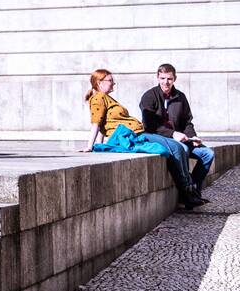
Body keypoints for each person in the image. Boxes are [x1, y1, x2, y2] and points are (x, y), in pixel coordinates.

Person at [81, 68, 202, 209]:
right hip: (132, 136)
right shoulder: (98, 98)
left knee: (179, 148)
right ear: (99, 82)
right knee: (175, 148)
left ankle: (190, 191)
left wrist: (99, 144)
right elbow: (97, 122)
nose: (114, 84)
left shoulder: (107, 97)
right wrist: (91, 146)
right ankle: (186, 192)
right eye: (110, 81)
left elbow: (103, 124)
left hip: (136, 133)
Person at [140, 63, 214, 203]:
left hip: (181, 137)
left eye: (169, 79)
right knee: (183, 149)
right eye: (162, 78)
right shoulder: (149, 96)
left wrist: (192, 137)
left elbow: (187, 122)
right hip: (161, 138)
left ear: (175, 79)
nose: (165, 82)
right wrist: (173, 134)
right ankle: (187, 192)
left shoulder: (180, 97)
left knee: (208, 153)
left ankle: (195, 190)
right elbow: (150, 126)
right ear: (157, 77)